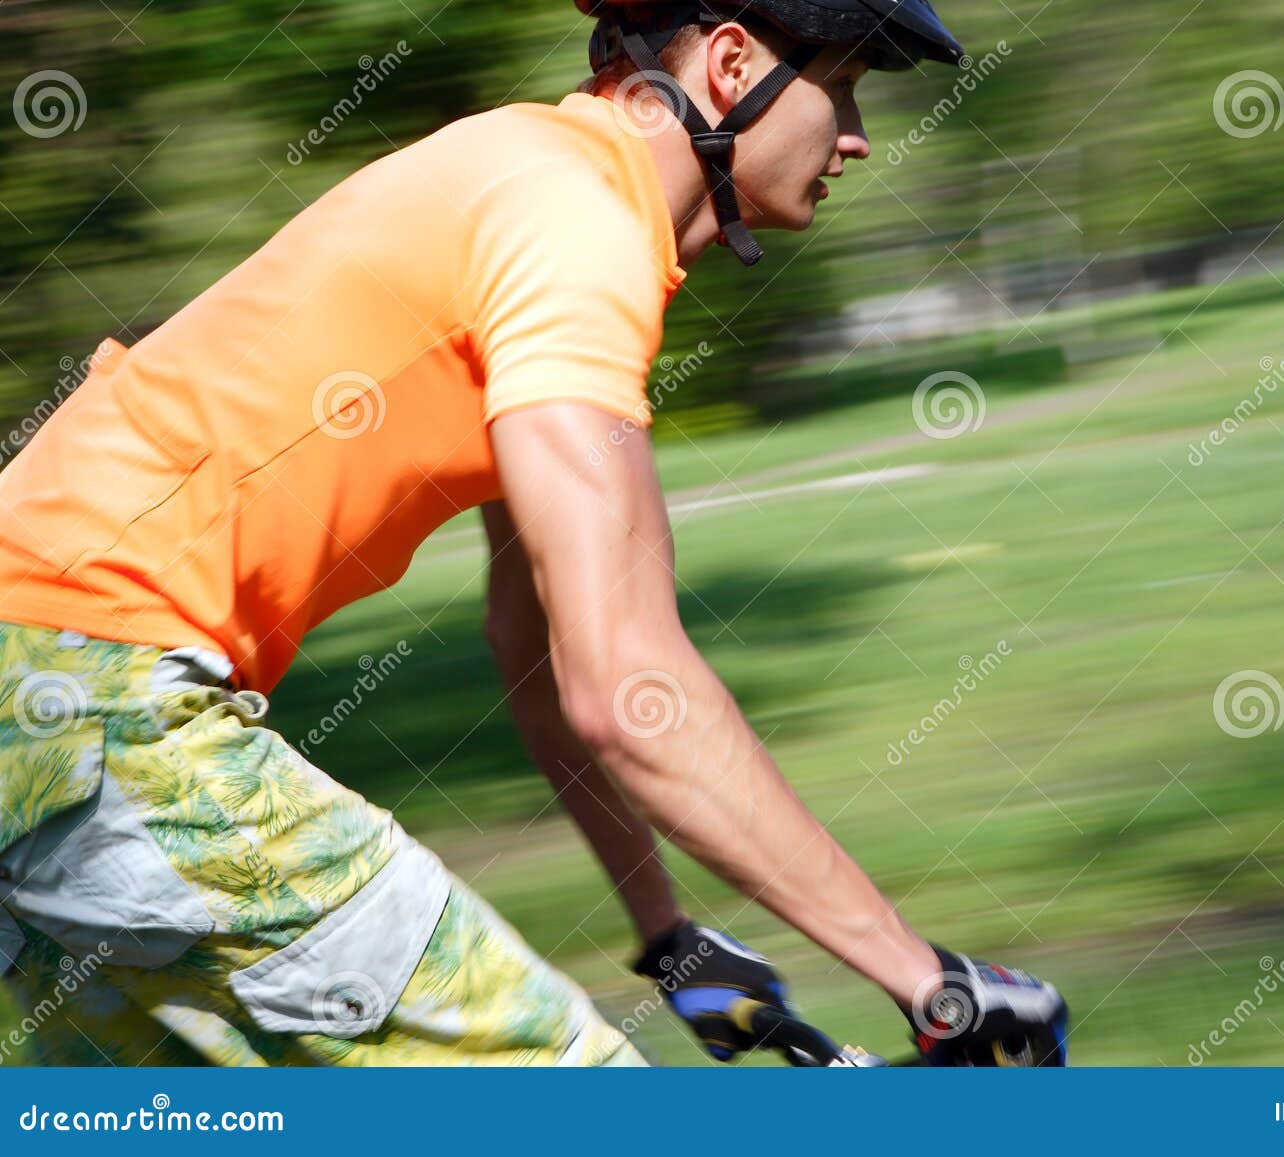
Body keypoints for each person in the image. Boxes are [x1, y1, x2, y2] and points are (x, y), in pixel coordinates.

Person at [0, 0, 1066, 1067]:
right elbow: (630, 688)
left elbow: (547, 653)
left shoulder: (532, 184)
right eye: (841, 85)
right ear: (733, 65)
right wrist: (929, 980)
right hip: (95, 703)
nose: (854, 136)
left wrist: (669, 939)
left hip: (45, 716)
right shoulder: (576, 228)